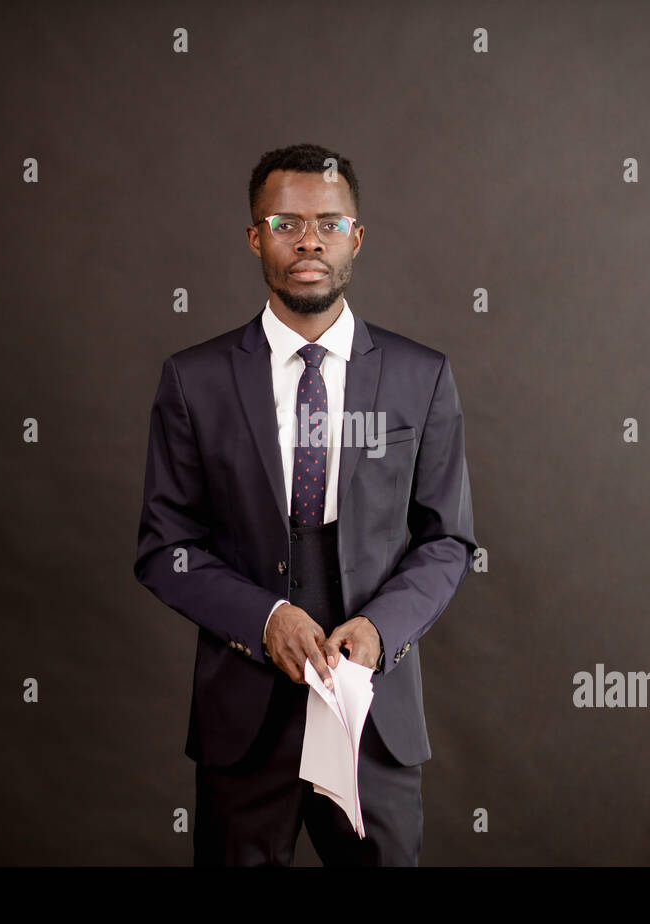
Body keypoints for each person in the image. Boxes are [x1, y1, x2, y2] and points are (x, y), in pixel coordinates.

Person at [134, 142, 476, 865]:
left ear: (358, 236)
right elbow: (165, 547)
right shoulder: (195, 380)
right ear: (256, 237)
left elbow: (447, 541)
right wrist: (265, 618)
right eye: (286, 223)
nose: (310, 239)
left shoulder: (423, 377)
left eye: (329, 222)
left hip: (372, 716)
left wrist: (381, 631)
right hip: (244, 716)